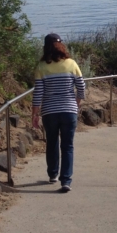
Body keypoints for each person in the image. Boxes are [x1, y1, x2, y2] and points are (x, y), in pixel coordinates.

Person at [32, 33, 85, 192]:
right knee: (67, 146)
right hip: (69, 111)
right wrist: (76, 101)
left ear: (45, 47)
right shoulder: (71, 64)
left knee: (52, 142)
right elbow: (81, 87)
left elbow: (38, 93)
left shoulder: (41, 67)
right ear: (61, 46)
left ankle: (53, 174)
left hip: (49, 111)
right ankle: (66, 181)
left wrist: (35, 114)